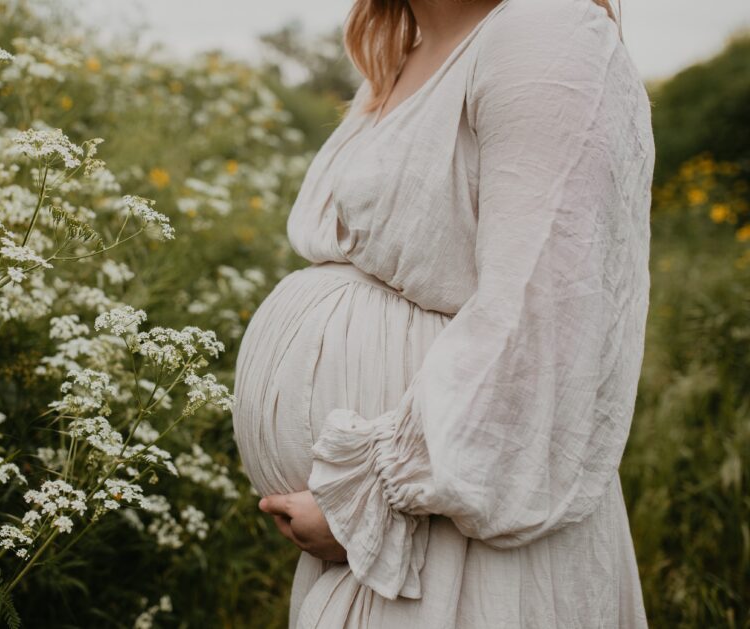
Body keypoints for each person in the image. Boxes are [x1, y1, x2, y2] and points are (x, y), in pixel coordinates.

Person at [230, 0, 654, 626]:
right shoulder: (401, 58)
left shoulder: (545, 34)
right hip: (392, 538)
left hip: (454, 531)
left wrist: (371, 497)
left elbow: (548, 322)